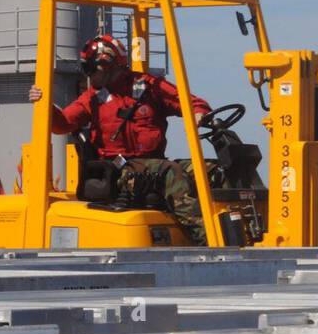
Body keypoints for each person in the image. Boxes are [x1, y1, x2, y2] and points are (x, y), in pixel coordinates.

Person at [28, 34, 212, 244]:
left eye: (93, 69)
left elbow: (191, 102)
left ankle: (238, 230)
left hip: (154, 163)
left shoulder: (149, 87)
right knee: (172, 173)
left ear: (111, 66)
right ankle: (206, 241)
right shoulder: (92, 99)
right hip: (120, 169)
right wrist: (45, 105)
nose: (90, 76)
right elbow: (62, 124)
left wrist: (199, 113)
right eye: (87, 69)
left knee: (209, 169)